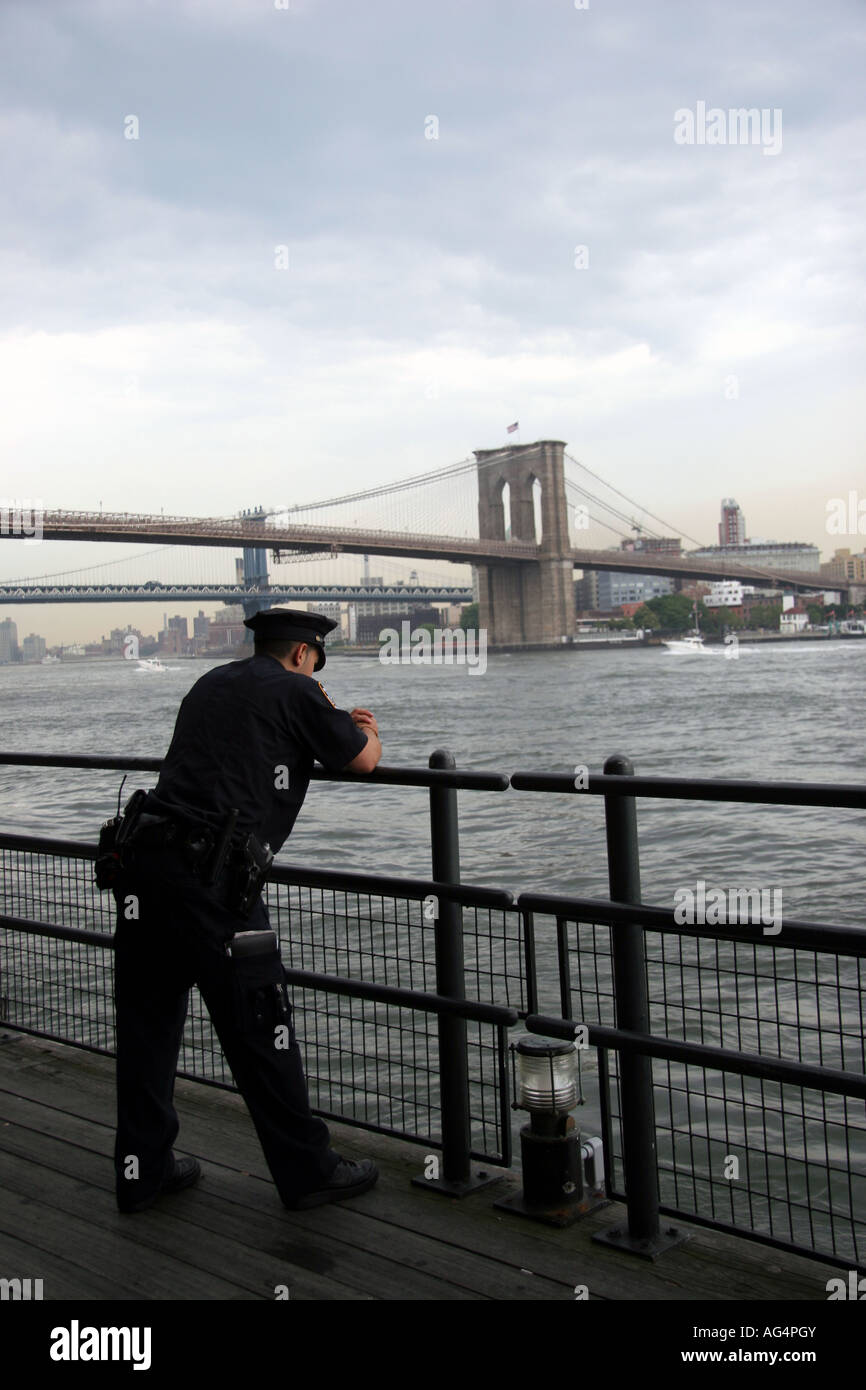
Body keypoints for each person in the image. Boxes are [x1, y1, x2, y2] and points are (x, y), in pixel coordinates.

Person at [108, 607, 383, 1214]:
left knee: (147, 1029)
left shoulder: (210, 682)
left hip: (144, 865)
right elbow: (361, 758)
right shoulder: (297, 689)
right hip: (213, 882)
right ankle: (309, 1172)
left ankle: (142, 1171)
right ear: (305, 655)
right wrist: (365, 726)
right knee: (264, 1027)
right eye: (314, 664)